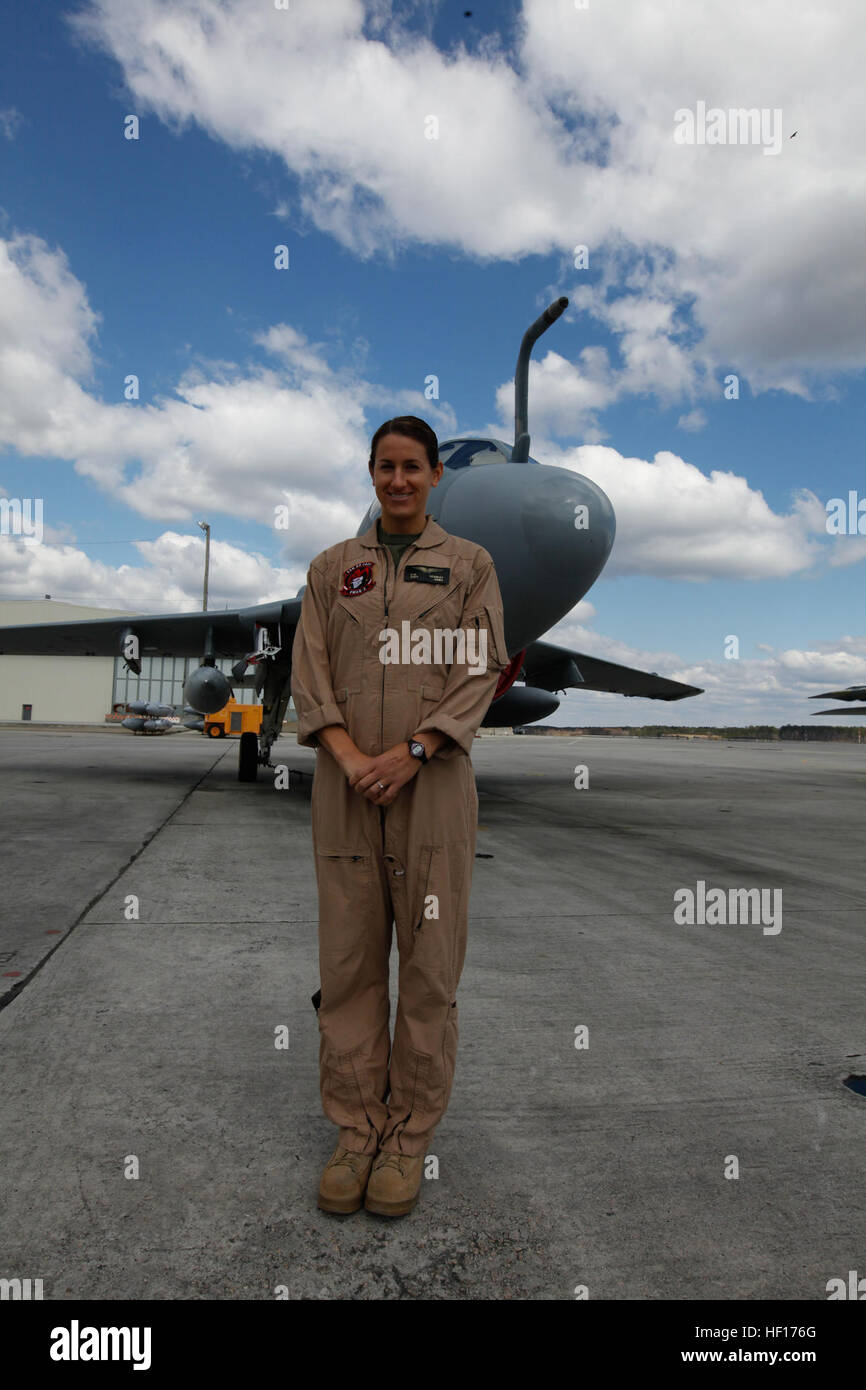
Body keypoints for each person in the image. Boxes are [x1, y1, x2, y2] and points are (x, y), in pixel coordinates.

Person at [290, 415, 508, 1216]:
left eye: (413, 467)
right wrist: (351, 759)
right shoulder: (329, 570)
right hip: (345, 793)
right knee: (347, 967)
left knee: (427, 970)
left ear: (434, 475)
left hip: (434, 790)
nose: (399, 480)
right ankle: (355, 1133)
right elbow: (307, 672)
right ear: (371, 473)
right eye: (386, 467)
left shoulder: (471, 567)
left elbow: (479, 671)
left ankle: (408, 1139)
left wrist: (411, 753)